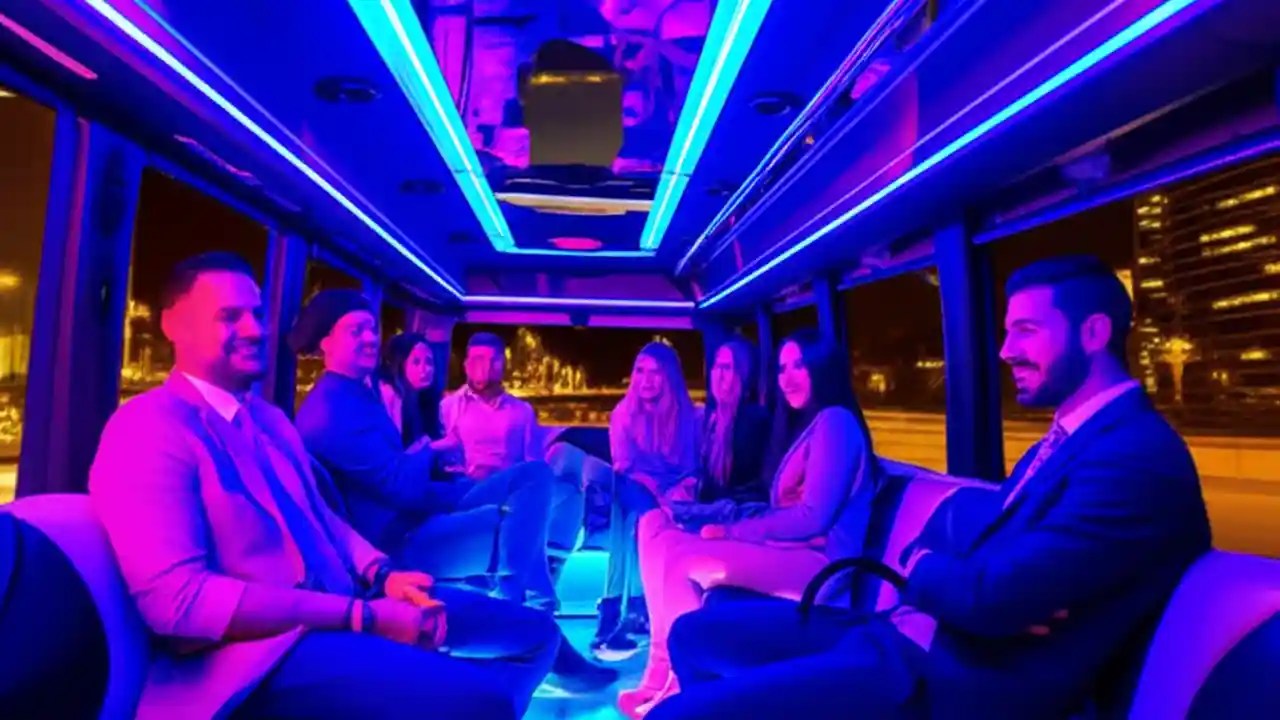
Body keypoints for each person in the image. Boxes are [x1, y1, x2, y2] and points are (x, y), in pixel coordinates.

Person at [647, 255, 1212, 720]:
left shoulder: (1136, 458)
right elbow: (986, 555)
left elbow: (993, 598)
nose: (1005, 350)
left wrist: (927, 567)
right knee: (697, 634)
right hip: (912, 636)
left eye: (1027, 331)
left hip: (961, 683)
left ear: (1094, 333)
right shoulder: (1063, 442)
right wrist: (955, 571)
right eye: (1007, 330)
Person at [89, 253, 558, 719]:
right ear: (172, 324)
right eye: (229, 316)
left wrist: (381, 575)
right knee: (482, 703)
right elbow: (181, 605)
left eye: (256, 313)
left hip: (351, 605)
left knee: (540, 638)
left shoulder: (267, 420)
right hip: (262, 657)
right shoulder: (148, 428)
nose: (254, 329)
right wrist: (364, 619)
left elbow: (322, 519)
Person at [292, 291, 616, 693]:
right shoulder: (331, 409)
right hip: (401, 540)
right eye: (355, 331)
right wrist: (428, 450)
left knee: (534, 476)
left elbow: (396, 478)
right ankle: (531, 616)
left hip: (418, 510)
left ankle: (526, 609)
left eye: (372, 329)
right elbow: (401, 487)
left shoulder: (358, 394)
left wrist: (450, 481)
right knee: (525, 512)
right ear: (324, 340)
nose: (370, 338)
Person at [620, 331, 878, 717]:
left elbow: (814, 518)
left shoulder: (836, 424)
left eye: (800, 366)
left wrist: (734, 531)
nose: (787, 377)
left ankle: (680, 686)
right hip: (797, 551)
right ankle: (659, 672)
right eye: (782, 368)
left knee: (682, 561)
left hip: (821, 568)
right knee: (671, 543)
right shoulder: (810, 424)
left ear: (823, 369)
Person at [440, 332, 588, 584]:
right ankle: (533, 587)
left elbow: (533, 463)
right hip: (468, 489)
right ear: (466, 365)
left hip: (513, 491)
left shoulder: (521, 412)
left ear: (502, 364)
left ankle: (549, 572)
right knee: (532, 506)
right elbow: (444, 460)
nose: (484, 368)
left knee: (571, 493)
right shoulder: (448, 407)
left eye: (491, 360)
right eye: (476, 360)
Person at [593, 342, 702, 659]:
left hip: (679, 493)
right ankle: (621, 607)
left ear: (670, 378)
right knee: (627, 500)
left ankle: (628, 607)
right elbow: (625, 467)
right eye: (640, 371)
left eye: (655, 372)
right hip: (639, 490)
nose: (646, 380)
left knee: (638, 510)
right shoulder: (622, 415)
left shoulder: (692, 417)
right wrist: (656, 497)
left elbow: (694, 469)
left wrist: (678, 492)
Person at [375, 331, 443, 447]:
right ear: (399, 364)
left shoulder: (427, 401)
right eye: (416, 362)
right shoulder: (388, 395)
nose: (425, 369)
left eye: (429, 362)